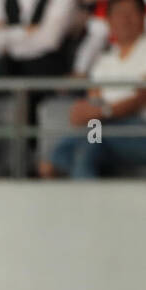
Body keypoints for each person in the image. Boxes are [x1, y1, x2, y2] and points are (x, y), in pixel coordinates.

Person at [48, 0, 146, 178]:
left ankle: (87, 202)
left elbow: (140, 98)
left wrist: (101, 112)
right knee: (55, 157)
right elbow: (95, 100)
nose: (124, 19)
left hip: (138, 129)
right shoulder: (104, 61)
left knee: (89, 146)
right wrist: (84, 112)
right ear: (108, 21)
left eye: (130, 13)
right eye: (118, 14)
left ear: (142, 16)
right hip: (103, 126)